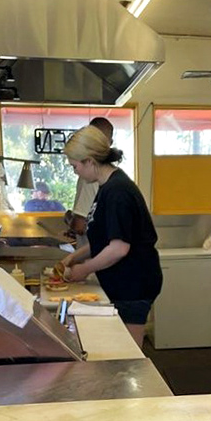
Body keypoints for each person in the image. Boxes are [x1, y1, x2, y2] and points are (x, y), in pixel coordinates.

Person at [60, 124, 162, 348]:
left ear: (89, 161)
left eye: (74, 165)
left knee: (129, 354)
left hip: (133, 284)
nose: (74, 170)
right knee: (119, 348)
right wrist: (74, 257)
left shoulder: (118, 192)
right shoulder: (106, 187)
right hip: (123, 283)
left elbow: (118, 248)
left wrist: (84, 268)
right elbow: (104, 238)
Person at [64, 116, 113, 247]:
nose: (75, 172)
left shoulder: (90, 180)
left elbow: (80, 226)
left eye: (75, 166)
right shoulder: (111, 180)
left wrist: (69, 218)